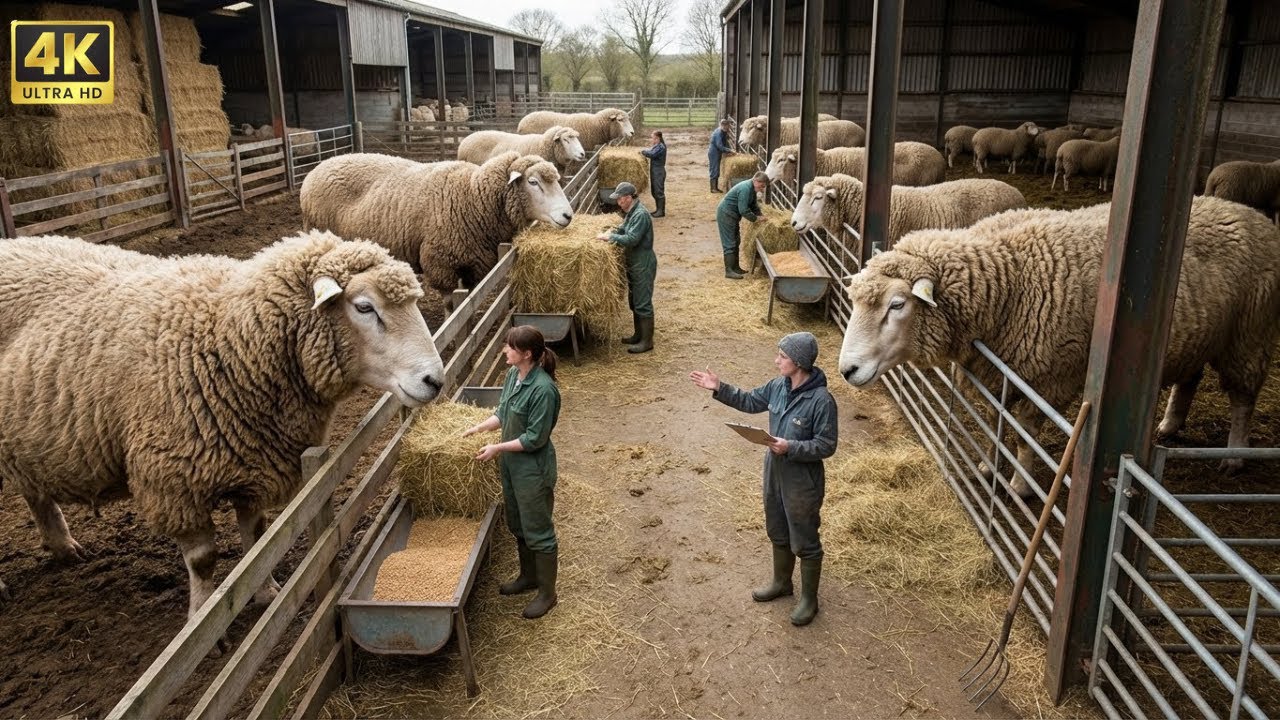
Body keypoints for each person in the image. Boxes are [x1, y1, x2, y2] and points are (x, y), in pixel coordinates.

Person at [688, 332, 837, 626]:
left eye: (782, 356)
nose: (776, 360)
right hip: (775, 471)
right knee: (777, 527)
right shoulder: (777, 387)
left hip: (802, 479)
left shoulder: (821, 401)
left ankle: (809, 599)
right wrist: (719, 388)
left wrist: (791, 447)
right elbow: (750, 400)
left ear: (798, 362)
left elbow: (827, 444)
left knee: (805, 536)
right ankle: (782, 583)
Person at [462, 326, 562, 619]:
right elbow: (504, 413)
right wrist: (480, 427)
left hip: (532, 469)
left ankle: (547, 593)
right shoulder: (511, 376)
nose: (505, 350)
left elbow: (535, 438)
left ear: (526, 354)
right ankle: (527, 577)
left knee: (538, 529)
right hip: (512, 465)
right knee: (518, 523)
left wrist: (498, 448)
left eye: (510, 347)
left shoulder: (543, 390)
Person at [596, 181, 657, 354]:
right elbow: (624, 228)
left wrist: (611, 238)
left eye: (620, 199)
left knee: (642, 302)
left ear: (629, 198)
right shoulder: (631, 212)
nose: (618, 202)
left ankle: (647, 341)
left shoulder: (641, 214)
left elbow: (632, 239)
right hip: (634, 261)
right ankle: (638, 334)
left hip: (643, 261)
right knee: (635, 301)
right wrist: (611, 230)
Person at [716, 171, 769, 280]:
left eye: (764, 187)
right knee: (730, 242)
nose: (762, 189)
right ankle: (729, 271)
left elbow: (754, 206)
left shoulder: (752, 189)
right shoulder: (745, 188)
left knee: (736, 240)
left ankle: (736, 267)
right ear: (756, 181)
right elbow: (744, 210)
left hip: (733, 215)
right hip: (726, 214)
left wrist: (761, 216)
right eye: (762, 186)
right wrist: (756, 219)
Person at [640, 130, 667, 218]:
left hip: (658, 171)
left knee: (658, 191)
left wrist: (643, 152)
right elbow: (651, 151)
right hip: (655, 170)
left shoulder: (661, 147)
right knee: (654, 191)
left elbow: (652, 154)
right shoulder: (657, 146)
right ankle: (658, 209)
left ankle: (661, 211)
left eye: (653, 138)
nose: (652, 140)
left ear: (657, 138)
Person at [708, 119, 734, 194]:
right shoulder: (718, 133)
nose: (726, 127)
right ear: (721, 125)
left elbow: (725, 142)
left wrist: (729, 149)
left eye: (727, 126)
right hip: (714, 152)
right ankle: (713, 188)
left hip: (717, 152)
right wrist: (729, 150)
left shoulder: (723, 132)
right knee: (714, 168)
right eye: (724, 126)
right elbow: (719, 145)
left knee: (716, 169)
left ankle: (715, 187)